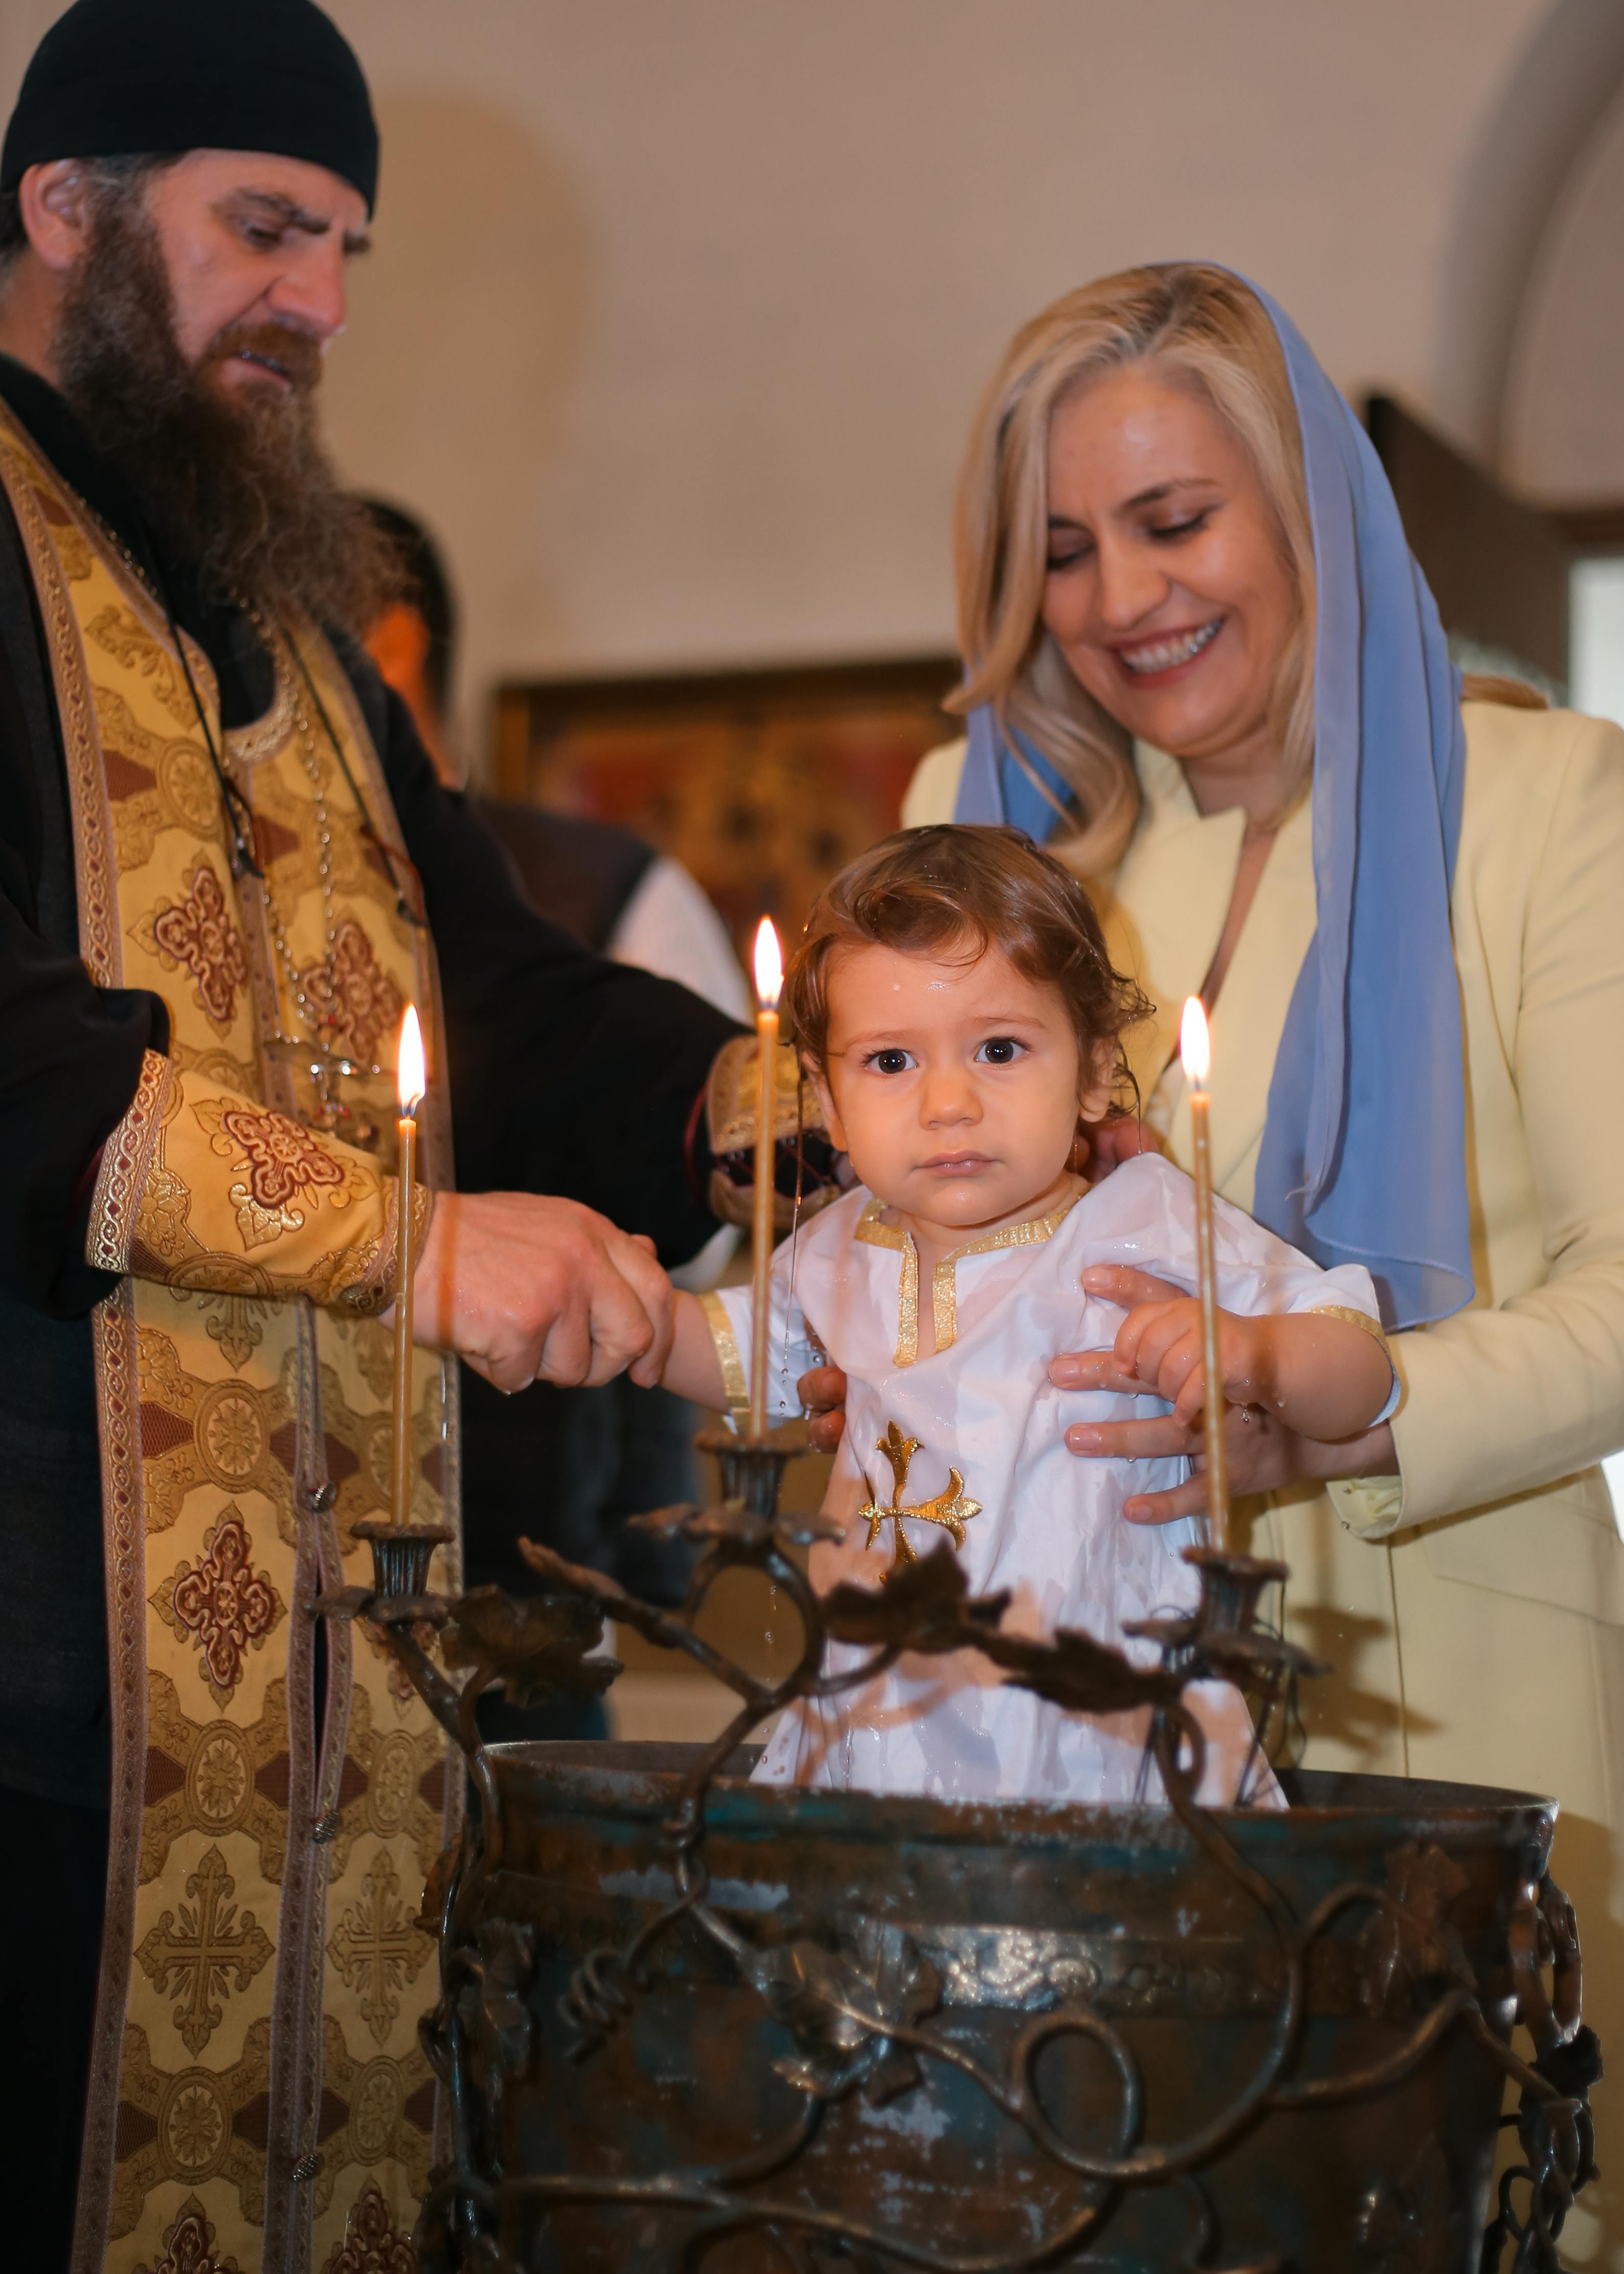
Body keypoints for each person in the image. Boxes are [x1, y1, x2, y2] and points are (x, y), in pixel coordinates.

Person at [0, 5, 752, 2264]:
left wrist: (778, 1107)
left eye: (342, 246)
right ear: (63, 208)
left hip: (343, 1708)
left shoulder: (303, 627)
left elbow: (491, 1004)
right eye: (263, 227)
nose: (317, 303)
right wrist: (405, 1246)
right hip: (42, 1701)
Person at [867, 262, 1624, 2259]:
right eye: (1058, 551)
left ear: (1304, 516)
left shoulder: (1540, 807)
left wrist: (1350, 1389)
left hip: (1450, 1697)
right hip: (1075, 1713)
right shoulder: (1023, 876)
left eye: (1171, 519)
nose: (1120, 598)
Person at [660, 825, 1393, 1803]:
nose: (948, 1101)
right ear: (828, 1105)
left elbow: (1361, 1374)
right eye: (888, 1062)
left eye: (998, 1048)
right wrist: (647, 1331)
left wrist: (1255, 1350)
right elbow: (747, 1356)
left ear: (1094, 1072)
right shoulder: (836, 1245)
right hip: (871, 1715)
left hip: (1092, 1715)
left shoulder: (1142, 1222)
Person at [361, 499, 749, 1710]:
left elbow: (706, 1235)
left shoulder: (604, 882)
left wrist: (772, 1105)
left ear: (388, 648)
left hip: (525, 1565)